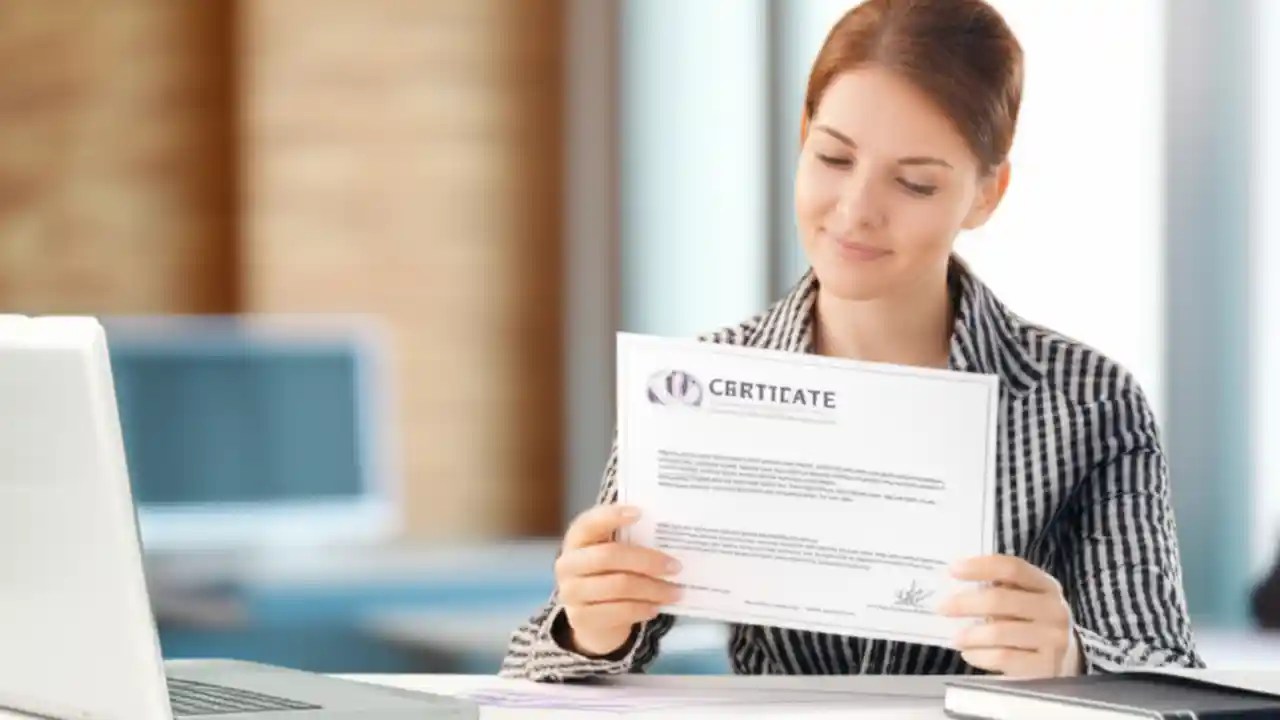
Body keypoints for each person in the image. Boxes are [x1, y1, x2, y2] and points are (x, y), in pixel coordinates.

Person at [502, 0, 1203, 680]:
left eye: (915, 183)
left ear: (988, 194)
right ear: (803, 136)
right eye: (834, 159)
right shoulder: (695, 388)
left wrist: (1071, 660)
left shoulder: (1088, 402)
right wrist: (589, 628)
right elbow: (535, 669)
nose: (856, 212)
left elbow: (1166, 672)